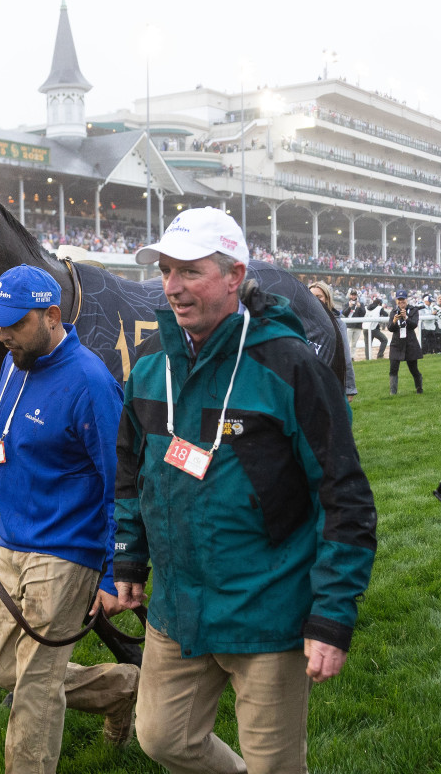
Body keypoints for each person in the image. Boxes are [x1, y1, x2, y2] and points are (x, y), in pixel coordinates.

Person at [114, 207, 377, 774]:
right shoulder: (150, 363)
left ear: (235, 275)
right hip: (178, 607)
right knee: (161, 738)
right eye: (165, 270)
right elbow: (131, 469)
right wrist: (129, 556)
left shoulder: (290, 365)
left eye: (190, 271)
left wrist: (332, 614)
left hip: (268, 611)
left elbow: (344, 496)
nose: (172, 287)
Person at [0, 264, 140, 773]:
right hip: (12, 544)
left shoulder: (90, 382)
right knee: (6, 670)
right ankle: (123, 687)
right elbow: (0, 423)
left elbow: (123, 485)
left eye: (15, 323)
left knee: (36, 688)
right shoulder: (16, 363)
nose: (3, 335)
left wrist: (113, 573)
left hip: (66, 554)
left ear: (52, 316)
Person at [309, 281, 356, 401]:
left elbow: (345, 356)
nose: (315, 299)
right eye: (311, 296)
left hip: (330, 380)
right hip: (307, 380)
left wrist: (349, 388)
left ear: (327, 299)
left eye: (319, 296)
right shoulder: (301, 321)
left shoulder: (337, 324)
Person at [387, 289, 424, 395]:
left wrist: (406, 318)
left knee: (413, 369)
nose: (401, 302)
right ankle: (393, 393)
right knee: (393, 369)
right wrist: (394, 321)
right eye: (399, 300)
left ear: (406, 300)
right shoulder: (393, 312)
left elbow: (414, 325)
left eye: (403, 299)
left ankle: (419, 388)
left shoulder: (413, 310)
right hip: (396, 343)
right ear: (396, 300)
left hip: (410, 343)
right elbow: (390, 328)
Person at [341, 288, 365, 356]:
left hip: (358, 326)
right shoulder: (346, 304)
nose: (353, 296)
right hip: (349, 326)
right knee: (347, 343)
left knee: (354, 344)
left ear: (356, 295)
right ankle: (347, 356)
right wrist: (349, 307)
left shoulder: (361, 304)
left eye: (354, 295)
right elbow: (344, 314)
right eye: (352, 295)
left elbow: (363, 314)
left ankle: (352, 356)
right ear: (350, 295)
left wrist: (359, 307)